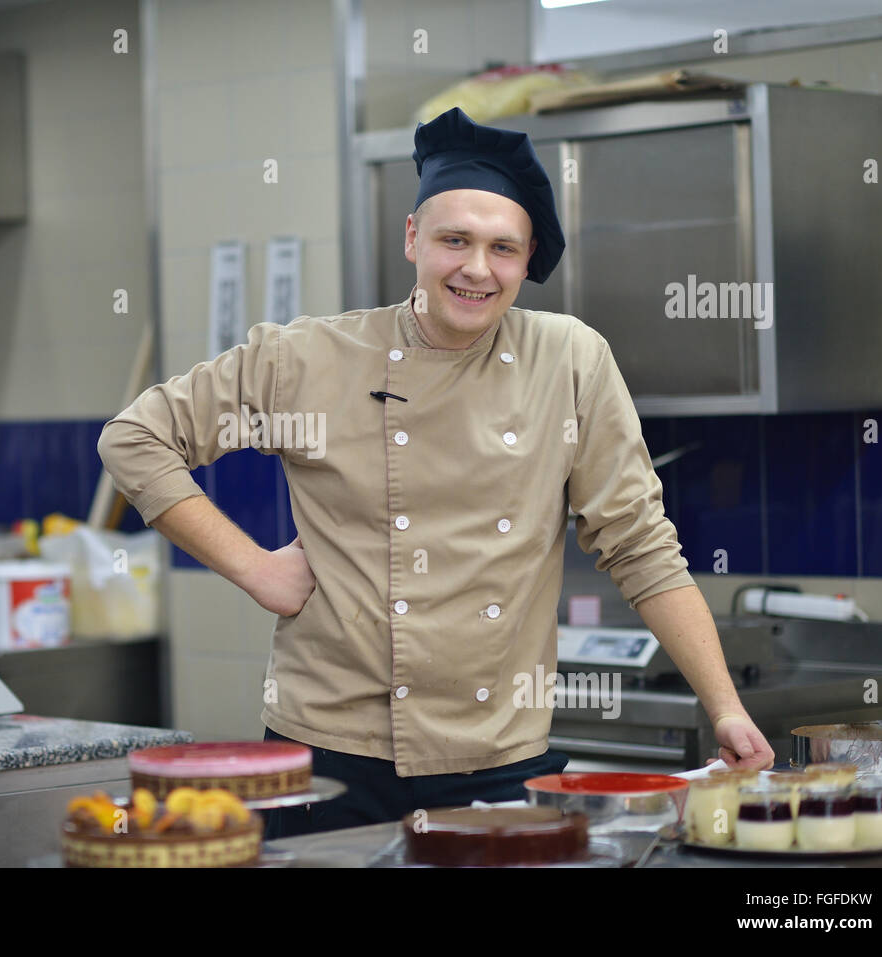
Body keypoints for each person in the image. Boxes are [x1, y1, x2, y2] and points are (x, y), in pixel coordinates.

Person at [98, 106, 775, 839]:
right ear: (414, 237)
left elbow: (641, 547)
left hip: (501, 755)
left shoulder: (569, 360)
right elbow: (136, 439)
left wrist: (726, 706)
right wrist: (257, 570)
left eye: (503, 248)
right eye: (455, 239)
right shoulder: (308, 357)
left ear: (527, 259)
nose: (477, 269)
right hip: (326, 751)